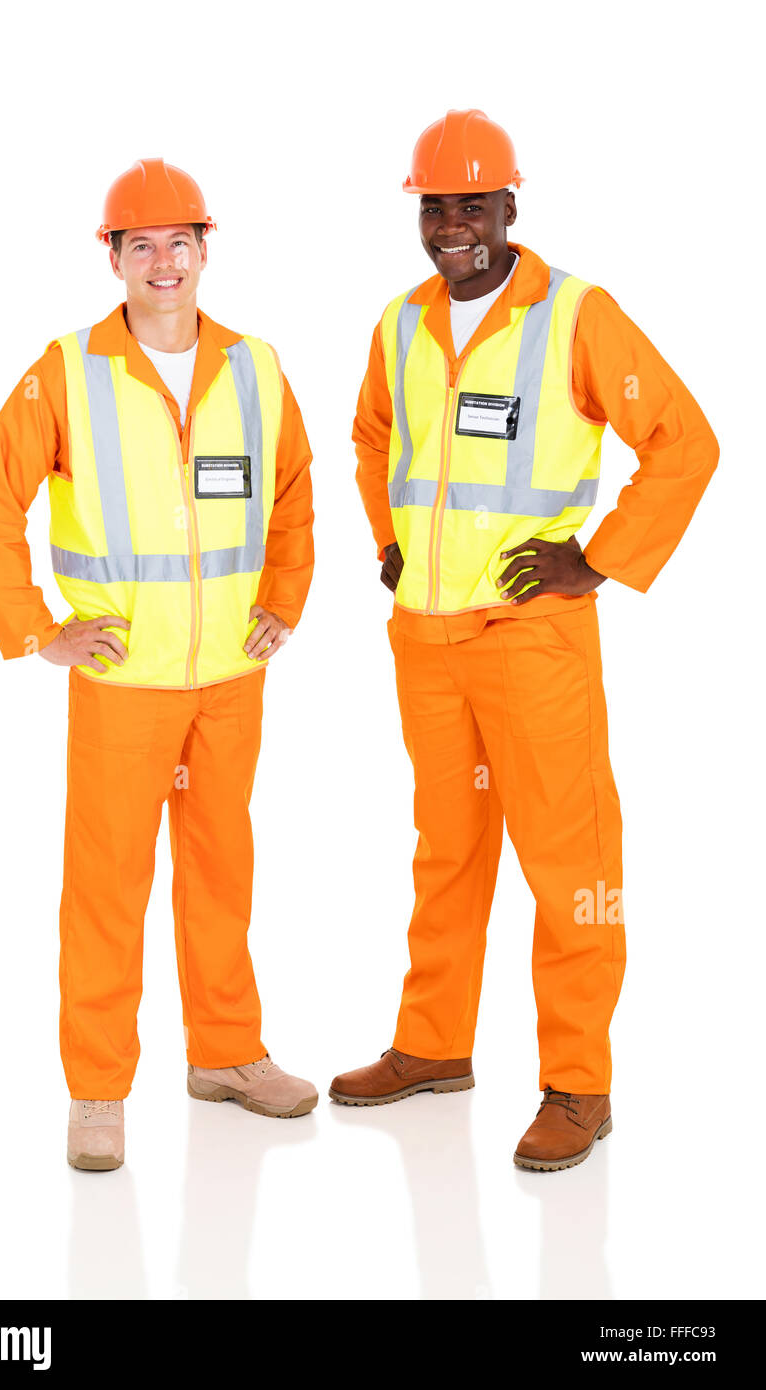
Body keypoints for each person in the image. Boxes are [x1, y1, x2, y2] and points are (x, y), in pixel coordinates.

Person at [330, 111, 718, 1171]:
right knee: (445, 850)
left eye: (471, 205)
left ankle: (577, 1085)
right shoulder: (400, 323)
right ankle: (432, 1044)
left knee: (570, 862)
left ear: (509, 207)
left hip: (533, 639)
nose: (451, 226)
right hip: (426, 639)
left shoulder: (575, 315)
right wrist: (388, 543)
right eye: (433, 207)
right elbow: (371, 440)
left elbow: (683, 441)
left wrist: (596, 559)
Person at [0, 158, 317, 1171]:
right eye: (140, 244)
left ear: (206, 248)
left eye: (179, 242)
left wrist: (283, 599)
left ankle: (227, 1055)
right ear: (111, 258)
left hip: (228, 678)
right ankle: (96, 1091)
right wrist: (37, 631)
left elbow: (290, 492)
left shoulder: (255, 366)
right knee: (106, 885)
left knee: (221, 870)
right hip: (120, 682)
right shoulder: (65, 370)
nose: (163, 262)